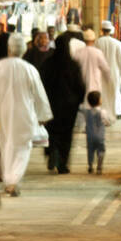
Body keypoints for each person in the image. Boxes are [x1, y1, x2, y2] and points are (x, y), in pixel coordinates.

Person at [0, 32, 52, 197]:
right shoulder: (29, 69)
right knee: (23, 147)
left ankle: (8, 179)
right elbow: (39, 94)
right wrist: (43, 115)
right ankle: (13, 180)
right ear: (24, 50)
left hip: (2, 114)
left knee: (5, 145)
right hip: (24, 114)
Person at [40, 31, 85, 174]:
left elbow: (41, 84)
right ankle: (63, 163)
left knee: (52, 132)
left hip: (51, 105)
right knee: (66, 134)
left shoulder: (47, 64)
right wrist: (80, 100)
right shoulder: (73, 65)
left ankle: (52, 151)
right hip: (69, 107)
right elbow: (80, 86)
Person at [94, 21, 121, 118]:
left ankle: (104, 111)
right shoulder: (117, 43)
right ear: (111, 30)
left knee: (103, 91)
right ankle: (117, 111)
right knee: (115, 90)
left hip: (101, 72)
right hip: (115, 72)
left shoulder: (98, 42)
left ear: (102, 30)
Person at [73, 26, 114, 99]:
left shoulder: (78, 53)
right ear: (94, 40)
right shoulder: (97, 52)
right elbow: (106, 69)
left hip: (81, 84)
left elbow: (73, 70)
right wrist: (108, 81)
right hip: (95, 85)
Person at [81, 90, 110, 174]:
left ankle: (90, 166)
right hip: (100, 136)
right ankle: (99, 167)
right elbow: (106, 121)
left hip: (90, 136)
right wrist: (107, 123)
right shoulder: (102, 112)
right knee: (101, 151)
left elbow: (84, 121)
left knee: (90, 151)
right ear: (99, 101)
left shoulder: (87, 112)